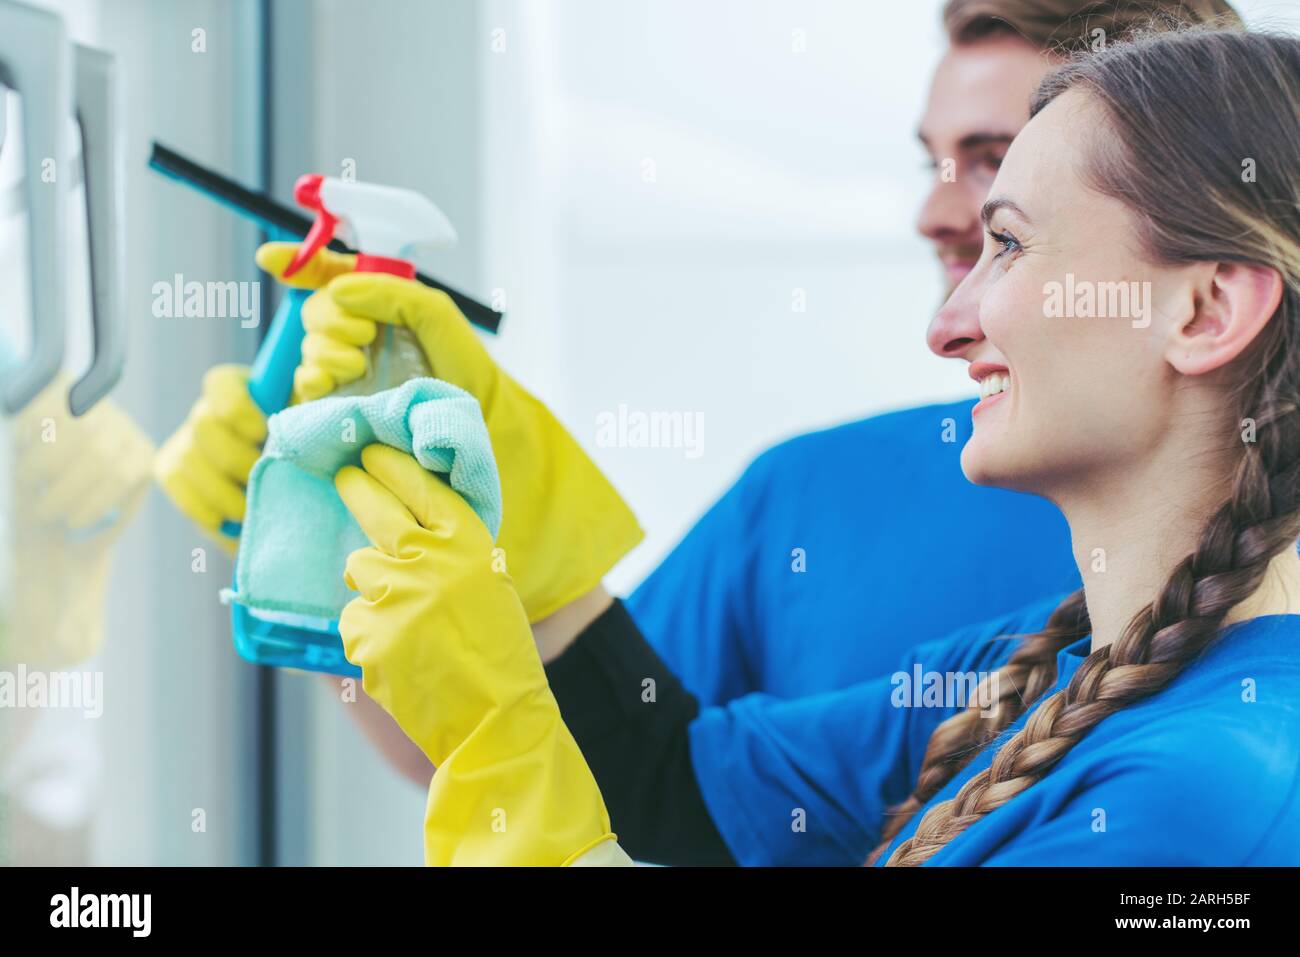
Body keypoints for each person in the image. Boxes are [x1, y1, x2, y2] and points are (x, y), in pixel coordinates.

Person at [153, 0, 1239, 788]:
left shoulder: (1226, 702)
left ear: (1208, 297)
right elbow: (605, 761)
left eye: (999, 176)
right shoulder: (817, 503)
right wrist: (319, 544)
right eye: (936, 165)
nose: (937, 218)